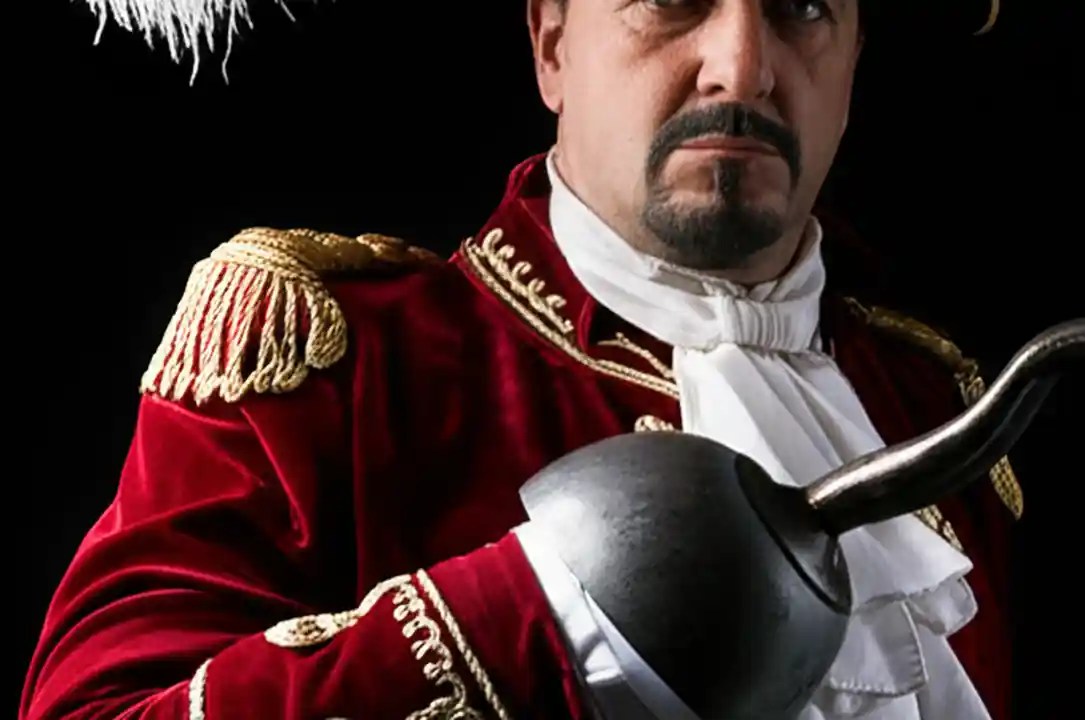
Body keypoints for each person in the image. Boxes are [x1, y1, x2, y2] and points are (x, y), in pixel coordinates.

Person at [21, 1, 1022, 718]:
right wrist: (549, 603)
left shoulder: (930, 400)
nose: (742, 67)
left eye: (803, 8)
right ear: (551, 43)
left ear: (853, 59)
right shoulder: (332, 358)